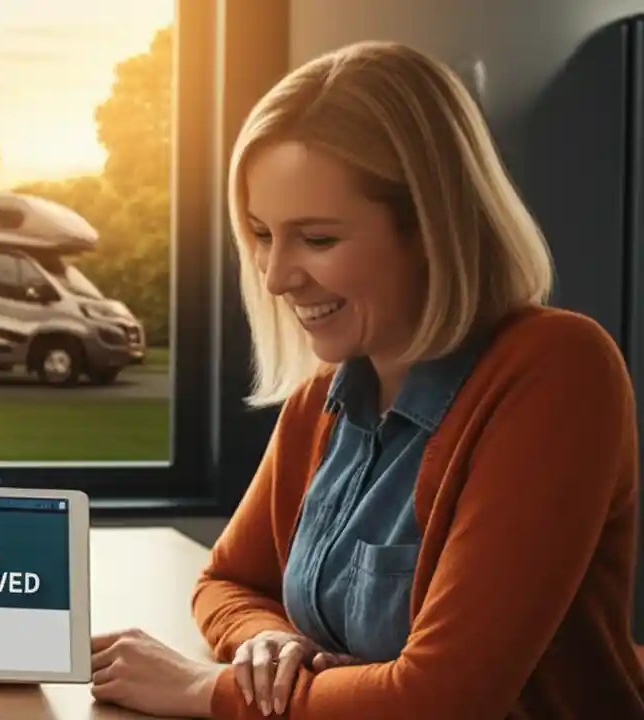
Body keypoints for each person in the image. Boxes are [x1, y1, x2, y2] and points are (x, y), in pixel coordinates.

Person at [89, 40, 644, 718]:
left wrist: (210, 691)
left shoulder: (557, 371)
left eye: (318, 240)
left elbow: (443, 698)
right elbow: (229, 580)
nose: (275, 276)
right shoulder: (322, 396)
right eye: (262, 234)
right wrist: (267, 643)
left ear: (432, 229)